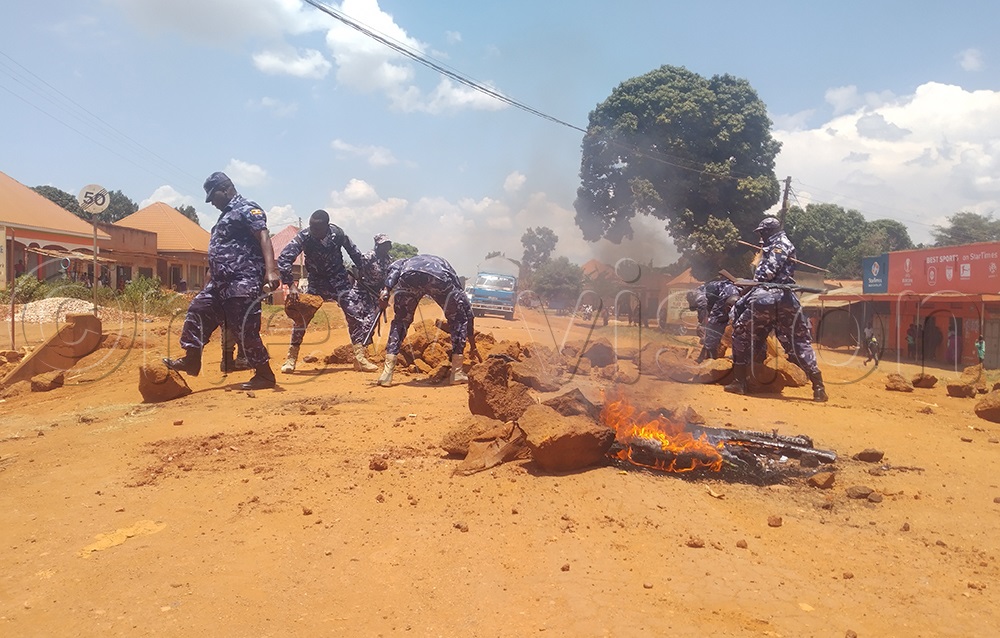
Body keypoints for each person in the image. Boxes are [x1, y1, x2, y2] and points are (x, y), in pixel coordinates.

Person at [163, 171, 280, 390]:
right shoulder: (225, 215)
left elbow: (263, 236)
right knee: (197, 309)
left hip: (242, 280)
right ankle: (191, 358)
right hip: (219, 282)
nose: (212, 203)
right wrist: (208, 281)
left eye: (213, 197)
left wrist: (271, 270)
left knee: (243, 327)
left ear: (226, 189)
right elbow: (218, 252)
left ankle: (264, 375)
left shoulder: (247, 208)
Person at [724, 216, 828, 402]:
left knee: (741, 331)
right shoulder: (778, 244)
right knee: (800, 341)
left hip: (767, 297)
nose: (761, 236)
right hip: (787, 301)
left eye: (762, 232)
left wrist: (756, 270)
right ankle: (818, 386)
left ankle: (739, 382)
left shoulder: (779, 244)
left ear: (769, 230)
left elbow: (766, 273)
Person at [276, 210, 374, 373]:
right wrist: (290, 285)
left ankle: (359, 358)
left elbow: (355, 254)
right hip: (316, 282)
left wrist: (362, 273)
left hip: (339, 280)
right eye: (312, 228)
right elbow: (284, 258)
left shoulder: (338, 234)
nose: (314, 231)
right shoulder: (304, 236)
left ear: (326, 226)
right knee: (302, 318)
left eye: (317, 229)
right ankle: (291, 358)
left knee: (354, 314)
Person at [373, 254, 478, 387]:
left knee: (400, 321)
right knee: (458, 319)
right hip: (438, 278)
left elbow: (393, 273)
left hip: (409, 277)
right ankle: (457, 372)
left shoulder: (404, 262)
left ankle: (387, 374)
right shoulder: (443, 264)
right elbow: (466, 311)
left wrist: (386, 291)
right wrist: (472, 344)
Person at [695, 278, 741, 363]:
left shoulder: (699, 293)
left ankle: (706, 356)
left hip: (727, 297)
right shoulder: (723, 289)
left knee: (714, 325)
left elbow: (704, 309)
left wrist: (702, 324)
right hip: (734, 296)